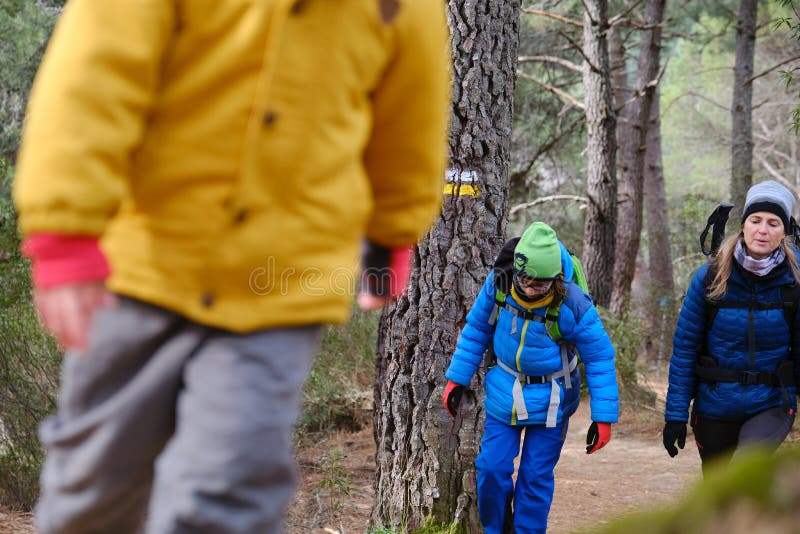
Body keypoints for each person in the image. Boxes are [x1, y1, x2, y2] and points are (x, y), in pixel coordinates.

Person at [12, 1, 450, 533]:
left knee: (226, 491)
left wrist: (392, 233)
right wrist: (66, 232)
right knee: (95, 487)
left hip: (279, 285)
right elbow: (94, 71)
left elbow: (410, 115)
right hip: (140, 266)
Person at [441, 222, 619, 534]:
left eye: (540, 284)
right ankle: (496, 529)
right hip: (503, 393)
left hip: (553, 401)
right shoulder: (500, 281)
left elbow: (600, 358)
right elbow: (477, 329)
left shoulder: (573, 304)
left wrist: (603, 417)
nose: (529, 288)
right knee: (491, 470)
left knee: (535, 477)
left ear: (556, 279)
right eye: (525, 280)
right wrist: (457, 378)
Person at [663, 180, 800, 474]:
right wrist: (675, 415)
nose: (763, 230)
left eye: (773, 223)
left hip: (771, 402)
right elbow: (686, 348)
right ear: (744, 225)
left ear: (784, 231)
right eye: (756, 220)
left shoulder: (794, 280)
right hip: (714, 404)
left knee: (743, 474)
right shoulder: (710, 276)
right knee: (716, 487)